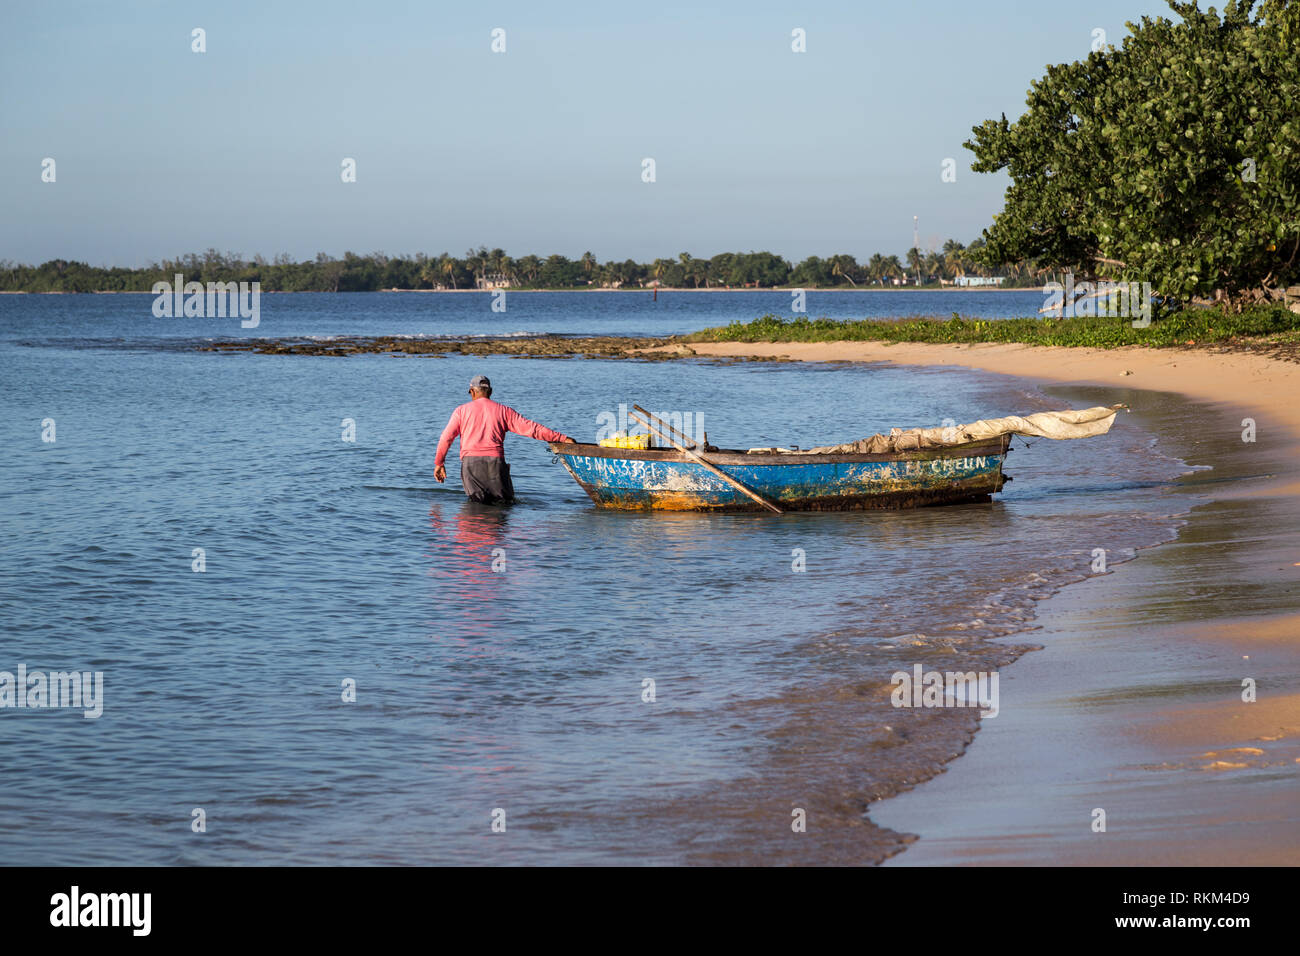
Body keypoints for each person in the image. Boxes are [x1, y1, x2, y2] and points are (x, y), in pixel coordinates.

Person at [434, 375, 574, 503]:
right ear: (491, 391)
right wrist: (562, 438)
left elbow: (446, 438)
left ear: (472, 391)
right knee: (504, 505)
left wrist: (439, 463)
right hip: (496, 464)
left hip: (471, 465)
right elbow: (532, 429)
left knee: (476, 508)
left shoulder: (461, 411)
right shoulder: (504, 411)